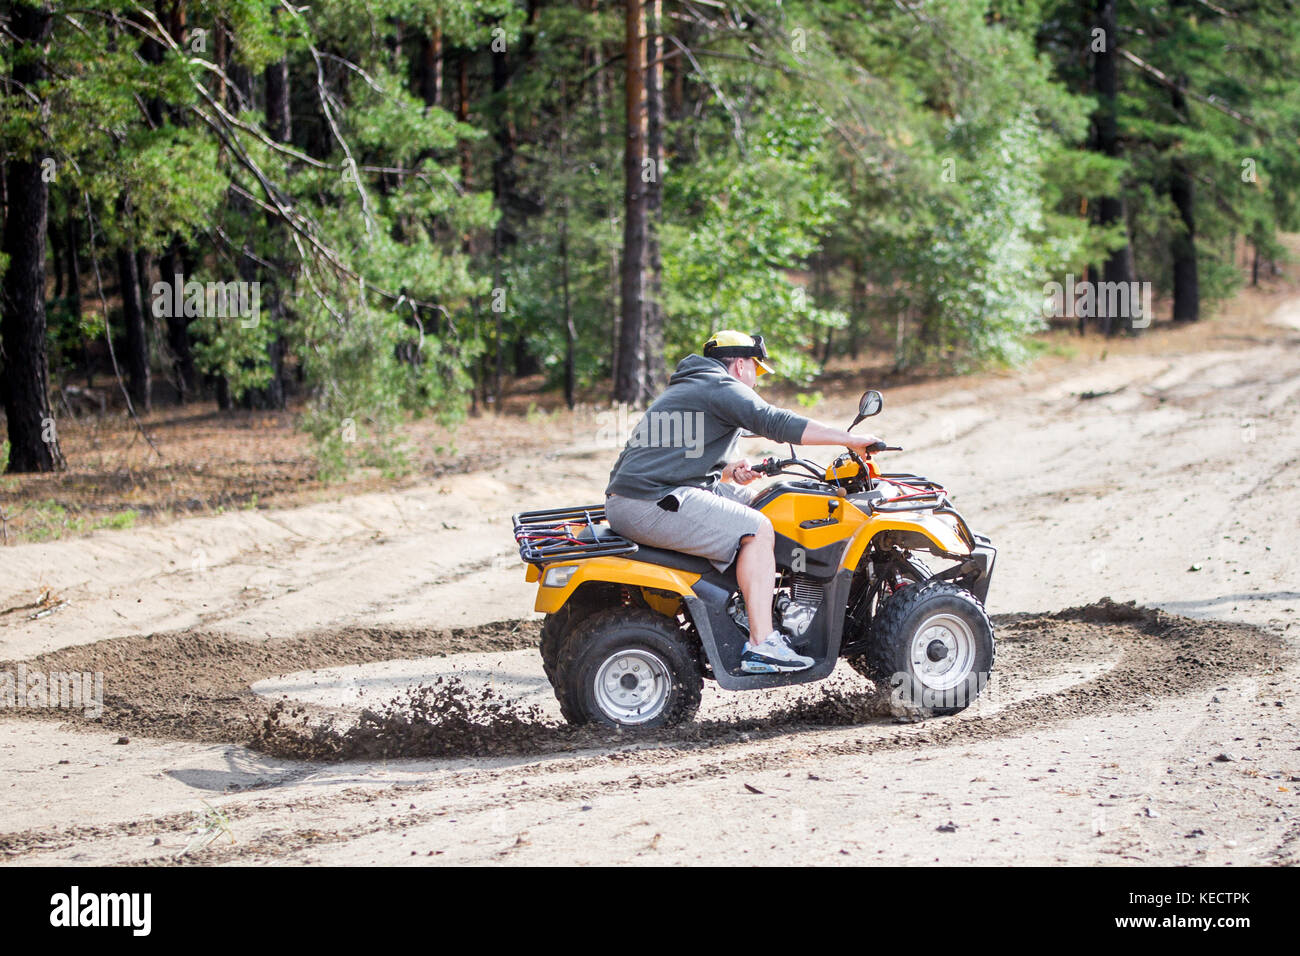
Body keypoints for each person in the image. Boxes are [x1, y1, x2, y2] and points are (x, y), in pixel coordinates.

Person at [604, 330, 881, 673]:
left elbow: (675, 455)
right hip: (649, 502)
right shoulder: (718, 385)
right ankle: (762, 644)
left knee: (762, 501)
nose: (755, 381)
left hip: (644, 496)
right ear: (739, 365)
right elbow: (775, 421)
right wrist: (851, 440)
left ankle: (755, 606)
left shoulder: (691, 386)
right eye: (756, 370)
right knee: (759, 528)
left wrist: (726, 471)